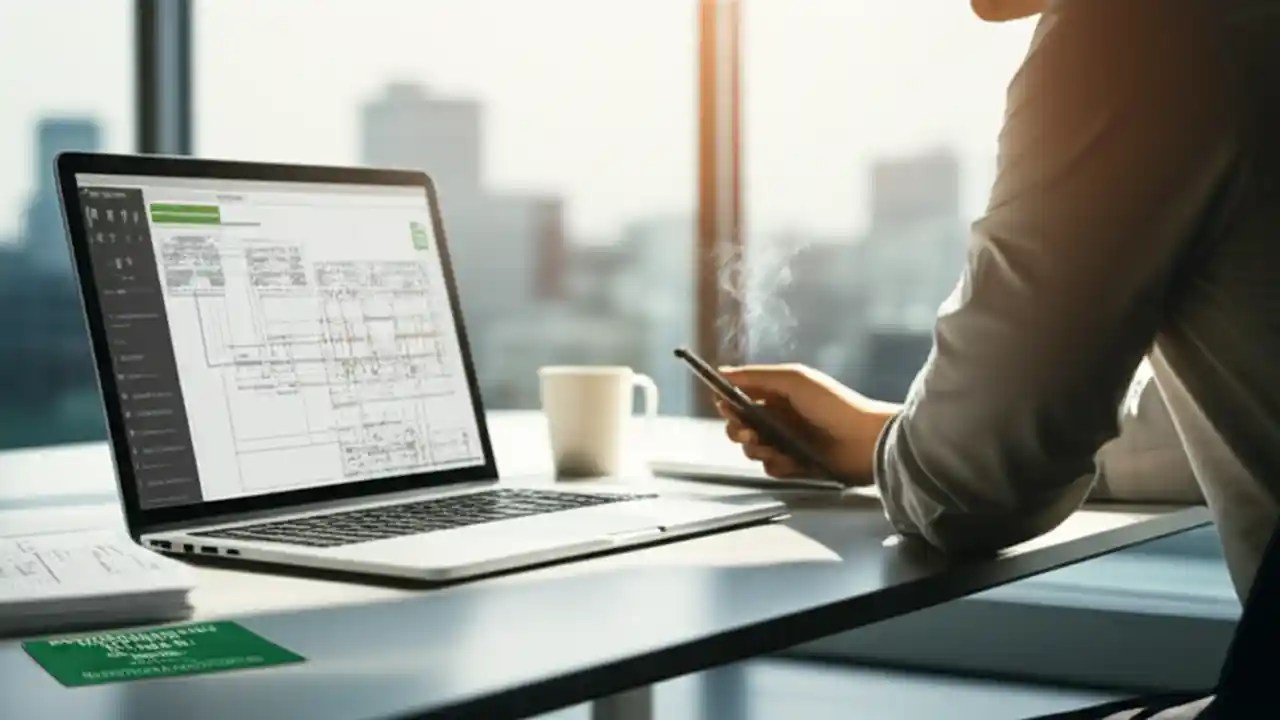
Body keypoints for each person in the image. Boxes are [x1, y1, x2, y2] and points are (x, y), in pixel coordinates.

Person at [720, 1, 1279, 713]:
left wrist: (923, 454)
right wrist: (881, 439)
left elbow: (976, 492)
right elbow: (1226, 424)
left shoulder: (1139, 27)